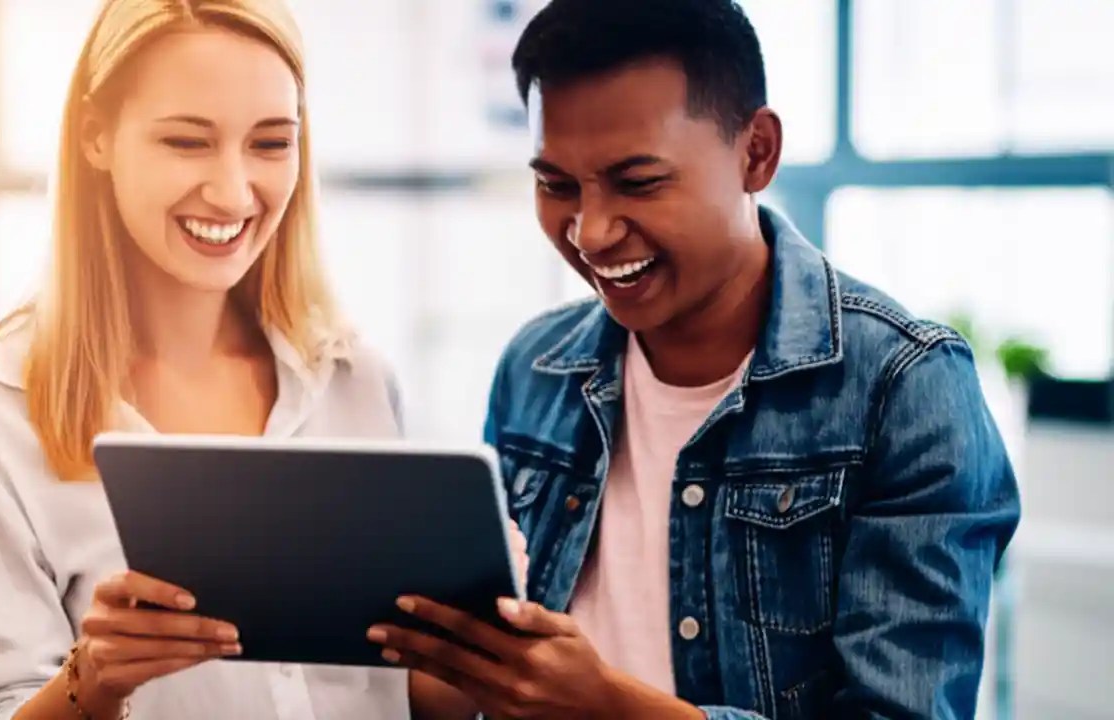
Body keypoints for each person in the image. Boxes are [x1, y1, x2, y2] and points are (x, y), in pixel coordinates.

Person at [367, 1, 1021, 718]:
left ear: (756, 153)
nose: (590, 232)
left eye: (638, 182)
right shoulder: (536, 367)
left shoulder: (904, 388)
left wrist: (607, 707)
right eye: (556, 185)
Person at [0, 1, 529, 718]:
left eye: (271, 143)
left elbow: (410, 703)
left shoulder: (351, 379)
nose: (233, 192)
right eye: (186, 142)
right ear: (95, 136)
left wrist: (473, 634)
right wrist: (95, 677)